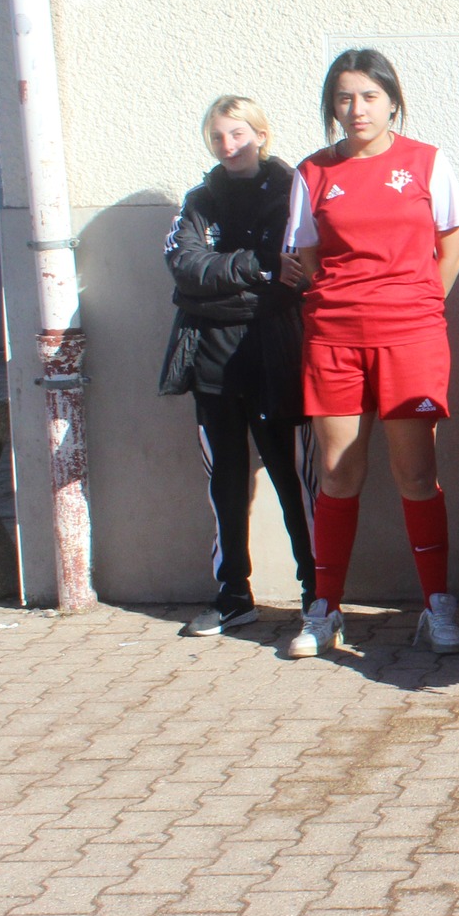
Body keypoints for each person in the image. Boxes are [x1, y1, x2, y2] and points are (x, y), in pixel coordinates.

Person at [282, 48, 459, 659]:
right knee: (338, 475)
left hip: (411, 336)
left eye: (368, 96)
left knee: (416, 474)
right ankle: (325, 609)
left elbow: (451, 250)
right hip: (334, 338)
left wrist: (416, 310)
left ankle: (438, 606)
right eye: (344, 97)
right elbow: (306, 257)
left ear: (392, 100)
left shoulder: (427, 163)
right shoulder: (312, 173)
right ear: (331, 106)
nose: (356, 109)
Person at [160, 96, 314, 637]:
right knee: (225, 483)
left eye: (239, 134)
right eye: (219, 136)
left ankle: (317, 596)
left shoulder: (291, 189)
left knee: (293, 481)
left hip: (275, 359)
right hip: (211, 365)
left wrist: (239, 284)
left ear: (261, 135)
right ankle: (233, 596)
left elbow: (300, 274)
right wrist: (259, 268)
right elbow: (185, 269)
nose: (229, 145)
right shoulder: (200, 198)